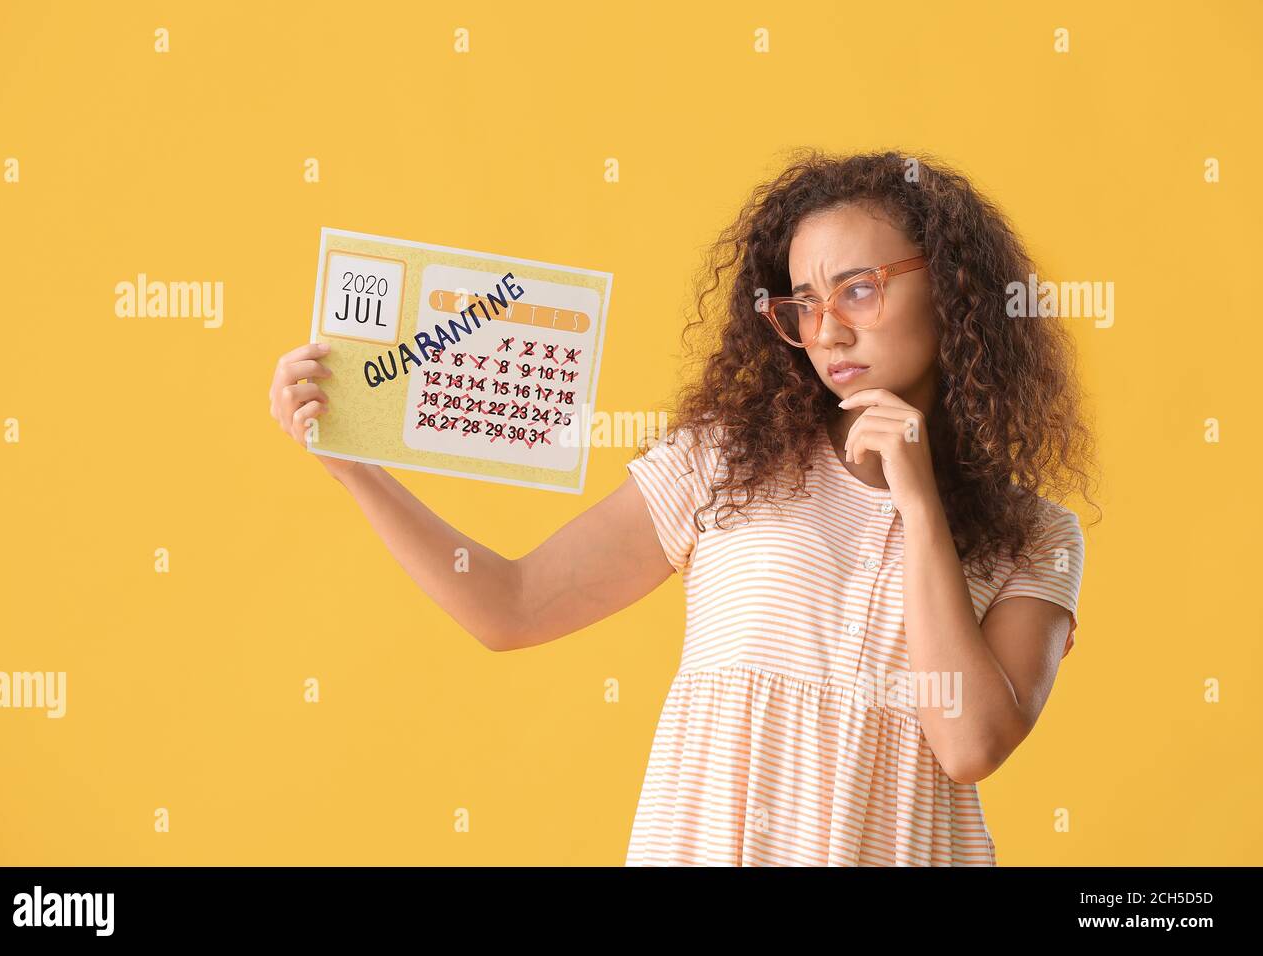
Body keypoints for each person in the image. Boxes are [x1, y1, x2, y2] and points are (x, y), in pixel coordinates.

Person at [268, 148, 1098, 866]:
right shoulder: (725, 463)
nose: (827, 332)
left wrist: (919, 505)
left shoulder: (1037, 537)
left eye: (858, 289)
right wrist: (357, 470)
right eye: (801, 303)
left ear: (952, 290)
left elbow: (969, 744)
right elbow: (510, 606)